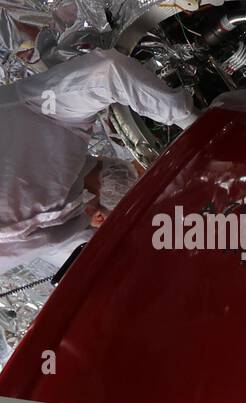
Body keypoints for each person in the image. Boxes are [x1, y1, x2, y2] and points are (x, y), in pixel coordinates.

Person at [0, 49, 196, 273]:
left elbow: (108, 73)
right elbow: (108, 74)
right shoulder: (50, 117)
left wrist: (189, 119)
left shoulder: (49, 119)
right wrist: (191, 120)